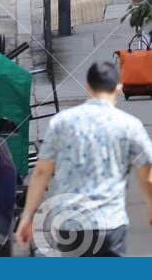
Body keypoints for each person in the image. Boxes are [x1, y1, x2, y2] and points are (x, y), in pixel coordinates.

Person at [16, 60, 152, 256]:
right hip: (110, 223)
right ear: (119, 88)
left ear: (88, 86)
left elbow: (42, 171)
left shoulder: (61, 123)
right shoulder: (130, 125)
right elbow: (146, 175)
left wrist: (27, 216)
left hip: (71, 225)